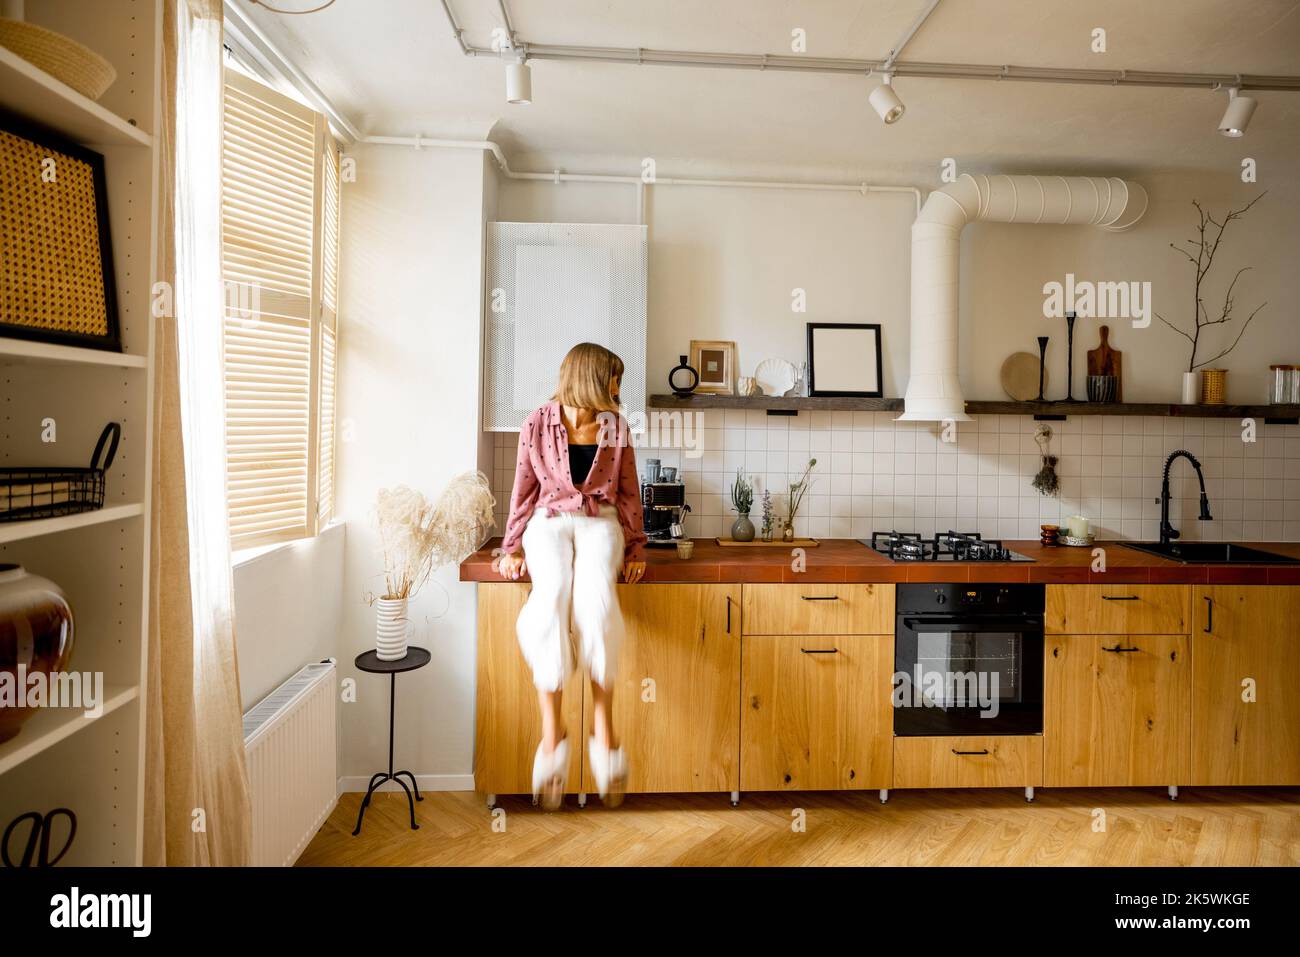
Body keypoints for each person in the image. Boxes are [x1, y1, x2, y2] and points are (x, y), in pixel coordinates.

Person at [497, 342, 647, 810]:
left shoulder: (616, 427)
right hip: (548, 519)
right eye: (614, 379)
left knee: (597, 602)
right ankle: (552, 736)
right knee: (553, 594)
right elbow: (523, 488)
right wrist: (510, 547)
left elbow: (627, 491)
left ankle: (603, 731)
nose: (619, 389)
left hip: (599, 519)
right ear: (591, 378)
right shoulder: (536, 423)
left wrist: (637, 546)